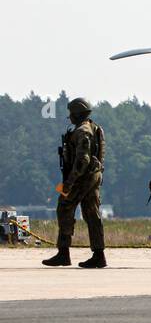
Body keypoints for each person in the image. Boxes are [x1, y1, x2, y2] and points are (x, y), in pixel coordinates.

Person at [42, 97, 107, 268]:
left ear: (77, 114)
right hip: (93, 175)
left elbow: (82, 160)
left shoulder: (82, 131)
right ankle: (99, 255)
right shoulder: (92, 128)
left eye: (71, 114)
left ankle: (63, 253)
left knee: (64, 207)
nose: (70, 117)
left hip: (82, 177)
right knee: (92, 213)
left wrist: (69, 182)